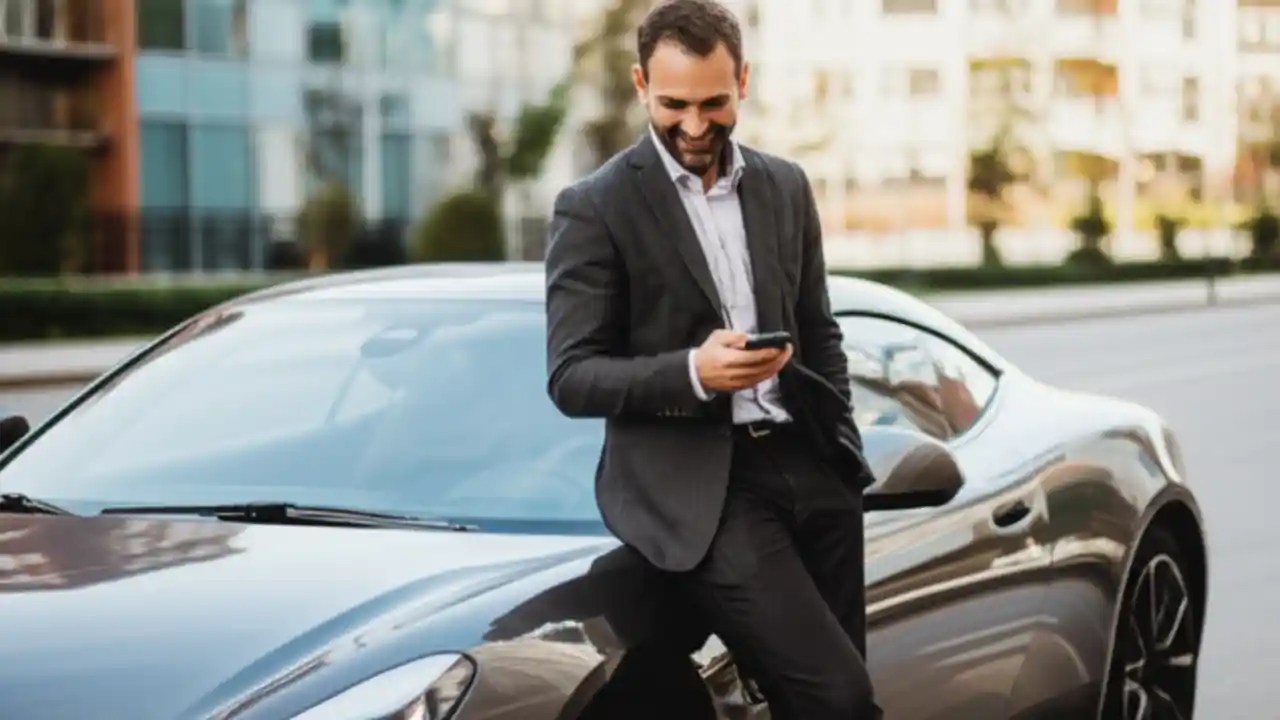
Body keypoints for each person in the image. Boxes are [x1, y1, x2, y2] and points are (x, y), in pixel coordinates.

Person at [544, 1, 881, 717]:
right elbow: (571, 377)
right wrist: (693, 373)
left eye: (713, 104)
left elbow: (818, 330)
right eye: (674, 105)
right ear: (641, 84)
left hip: (811, 466)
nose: (695, 126)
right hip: (706, 491)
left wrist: (840, 447)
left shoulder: (785, 186)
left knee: (829, 698)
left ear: (743, 83)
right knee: (839, 698)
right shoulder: (595, 207)